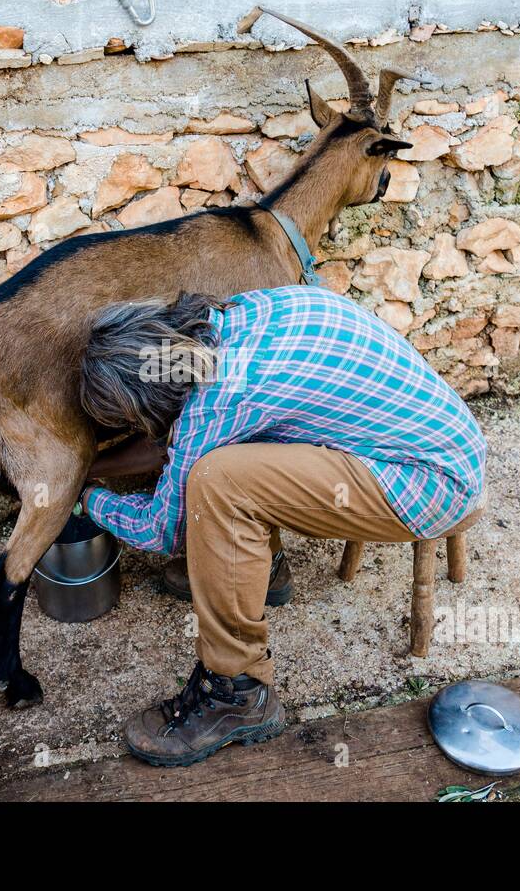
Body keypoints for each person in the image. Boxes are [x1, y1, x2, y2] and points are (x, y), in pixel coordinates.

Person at [78, 285, 487, 767]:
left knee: (218, 480)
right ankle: (260, 568)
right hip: (443, 443)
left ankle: (236, 691)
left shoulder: (216, 401)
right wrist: (88, 466)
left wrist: (89, 498)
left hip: (432, 487)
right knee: (218, 465)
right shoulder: (243, 312)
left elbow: (162, 531)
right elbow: (176, 441)